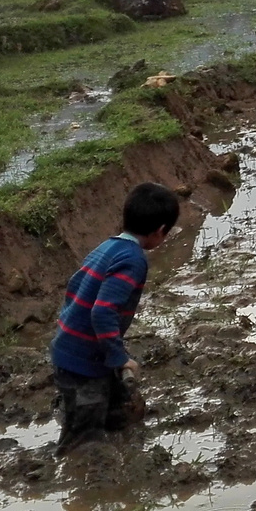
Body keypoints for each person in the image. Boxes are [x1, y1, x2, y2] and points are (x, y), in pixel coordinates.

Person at [50, 182, 180, 456]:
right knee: (83, 438)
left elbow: (75, 288)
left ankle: (121, 452)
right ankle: (79, 476)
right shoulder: (133, 260)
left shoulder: (109, 246)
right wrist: (119, 358)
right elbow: (102, 311)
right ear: (160, 231)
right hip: (82, 361)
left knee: (121, 409)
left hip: (79, 349)